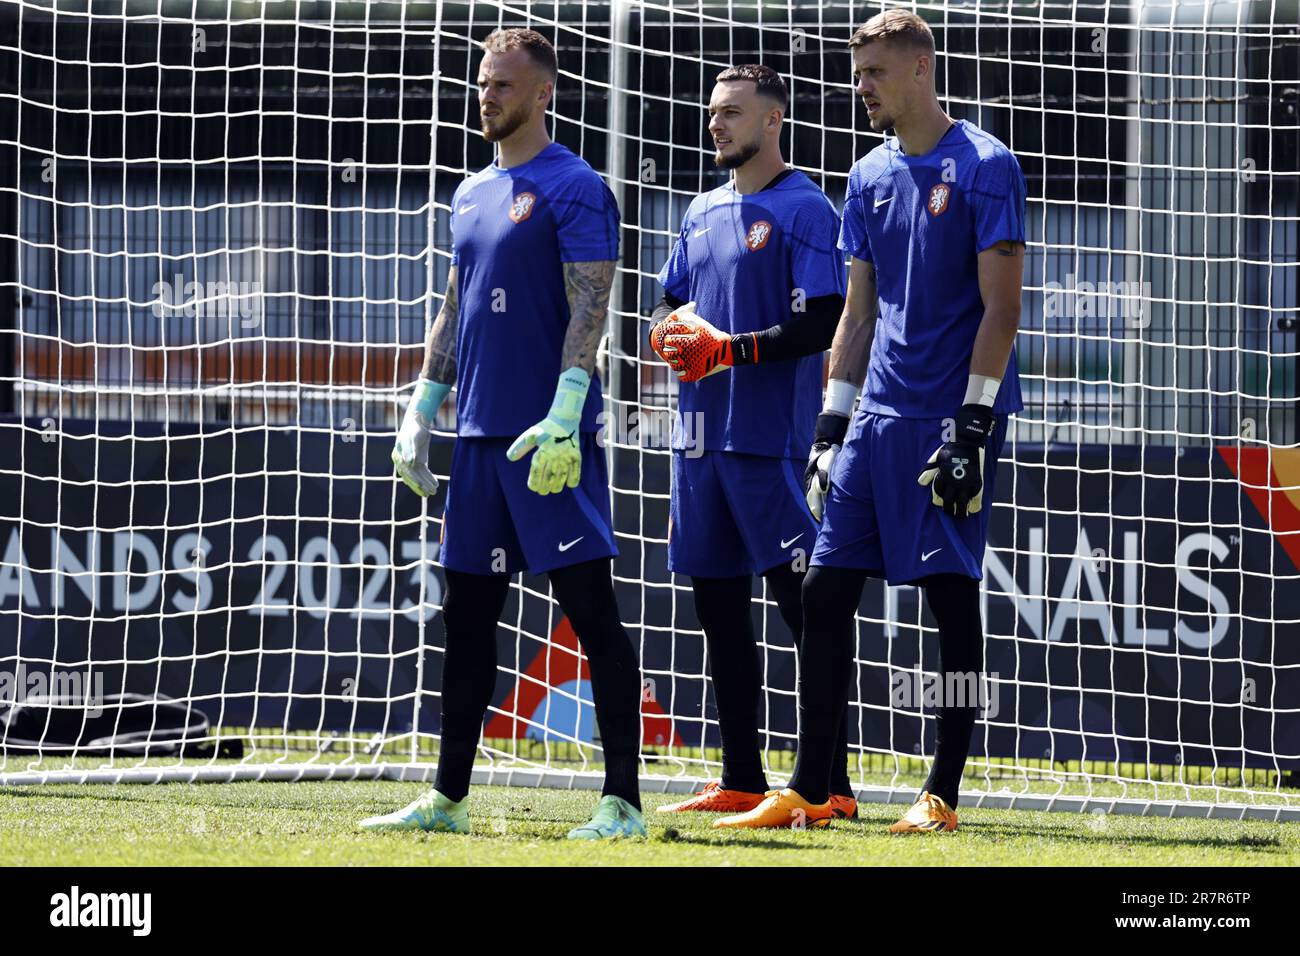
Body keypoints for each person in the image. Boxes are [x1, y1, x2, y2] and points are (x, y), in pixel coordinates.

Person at [717, 9, 1026, 833]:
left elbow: (1002, 311)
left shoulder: (988, 165)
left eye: (876, 73)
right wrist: (830, 427)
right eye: (858, 75)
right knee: (823, 592)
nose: (862, 88)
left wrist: (973, 428)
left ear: (922, 69)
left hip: (950, 418)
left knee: (950, 598)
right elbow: (856, 315)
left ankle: (942, 794)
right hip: (876, 417)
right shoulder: (866, 175)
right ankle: (812, 789)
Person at [361, 27, 644, 840]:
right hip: (481, 441)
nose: (487, 98)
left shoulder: (577, 185)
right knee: (467, 618)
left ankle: (622, 803)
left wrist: (567, 408)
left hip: (547, 440)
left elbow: (593, 301)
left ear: (543, 92)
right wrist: (423, 407)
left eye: (504, 86)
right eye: (483, 84)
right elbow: (457, 302)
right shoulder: (470, 192)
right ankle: (447, 799)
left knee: (590, 613)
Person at [645, 65, 854, 823]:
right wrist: (666, 331)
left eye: (731, 112)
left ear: (773, 120)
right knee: (719, 611)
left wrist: (729, 349)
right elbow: (669, 302)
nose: (716, 124)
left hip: (770, 445)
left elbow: (823, 321)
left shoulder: (807, 208)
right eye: (712, 112)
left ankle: (830, 785)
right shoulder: (700, 210)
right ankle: (740, 776)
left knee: (805, 613)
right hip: (698, 444)